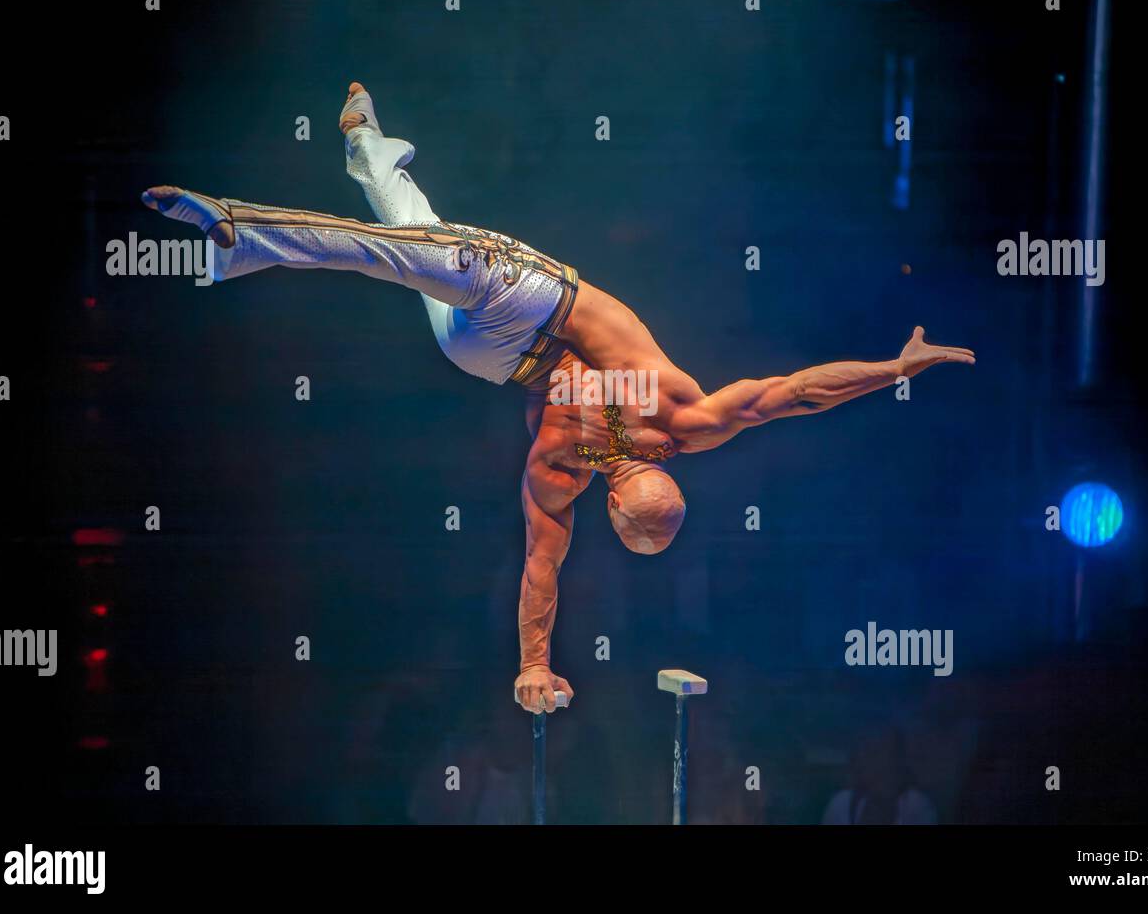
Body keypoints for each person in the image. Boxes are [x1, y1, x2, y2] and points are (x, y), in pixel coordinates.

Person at [144, 83, 975, 714]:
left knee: (399, 253)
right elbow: (544, 571)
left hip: (530, 309)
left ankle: (241, 230)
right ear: (621, 516)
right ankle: (367, 149)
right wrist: (531, 664)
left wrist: (895, 371)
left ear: (664, 478)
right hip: (483, 358)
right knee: (412, 239)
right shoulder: (562, 476)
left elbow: (791, 395)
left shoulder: (683, 425)